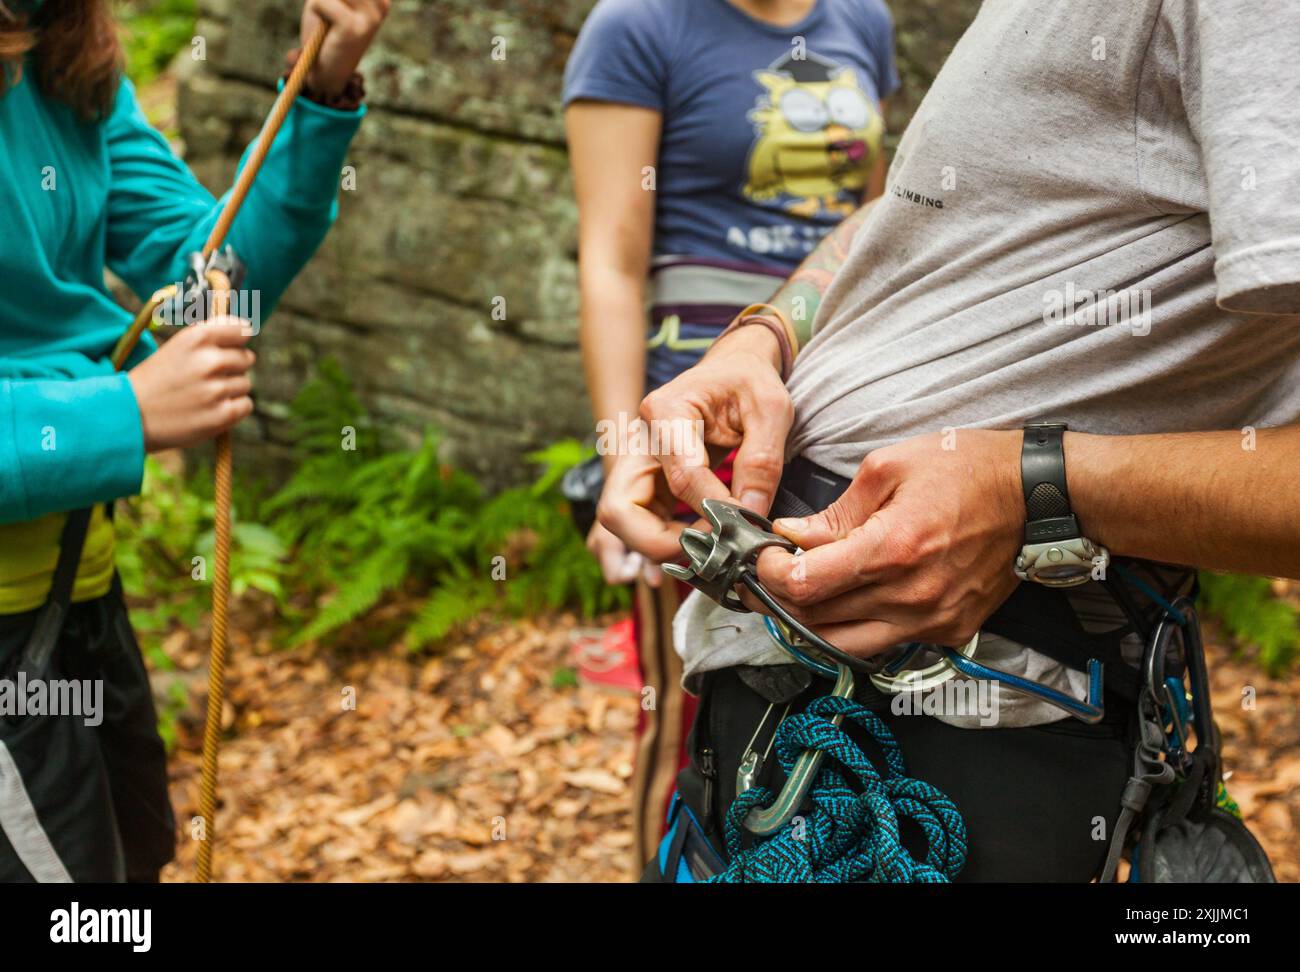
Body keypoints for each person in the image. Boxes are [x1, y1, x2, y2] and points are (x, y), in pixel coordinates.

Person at [599, 0, 1300, 881]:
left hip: (977, 721)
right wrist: (763, 336)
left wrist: (1035, 487)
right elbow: (914, 215)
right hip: (802, 703)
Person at [0, 0, 390, 882]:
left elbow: (206, 271)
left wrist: (320, 85)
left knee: (132, 865)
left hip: (76, 592)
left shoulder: (61, 46)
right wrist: (124, 414)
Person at [562, 0, 898, 869]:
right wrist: (620, 453)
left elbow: (879, 231)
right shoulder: (636, 27)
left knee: (849, 699)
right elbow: (610, 256)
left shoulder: (862, 20)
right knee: (683, 710)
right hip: (696, 433)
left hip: (841, 415)